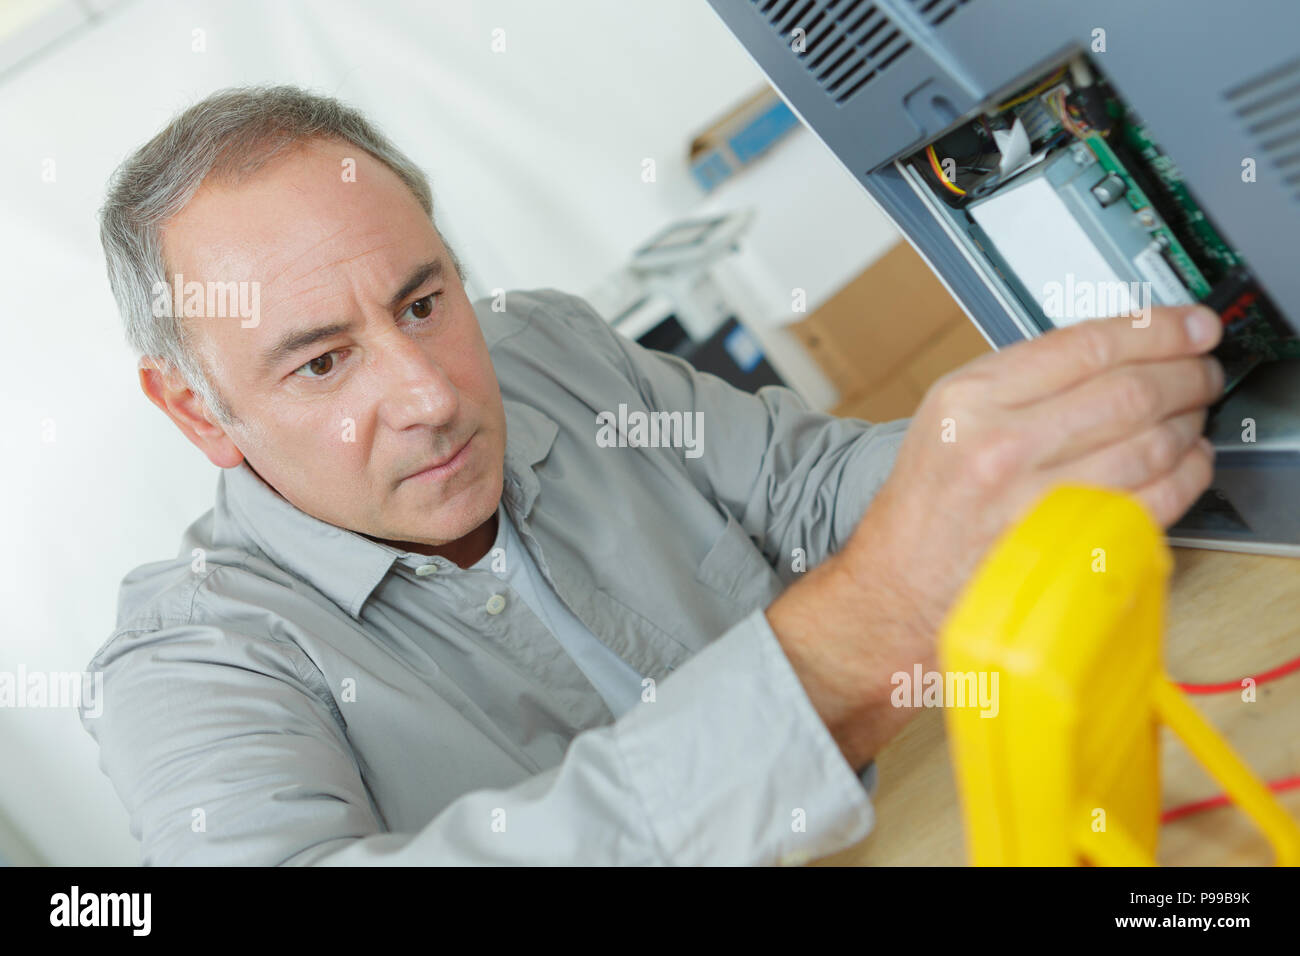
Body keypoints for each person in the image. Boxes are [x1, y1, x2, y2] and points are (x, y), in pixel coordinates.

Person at [82, 85, 1224, 865]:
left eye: (425, 303)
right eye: (324, 361)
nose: (429, 391)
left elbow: (812, 483)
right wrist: (845, 642)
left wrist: (1008, 455)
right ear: (196, 409)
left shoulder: (545, 351)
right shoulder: (184, 667)